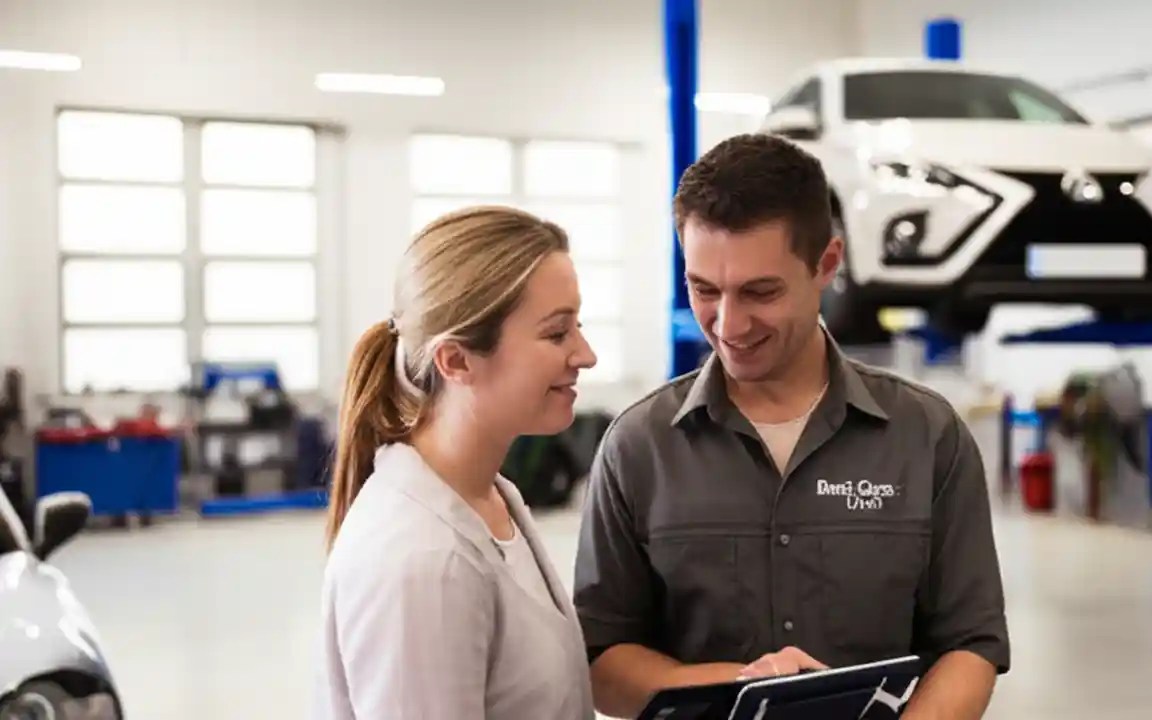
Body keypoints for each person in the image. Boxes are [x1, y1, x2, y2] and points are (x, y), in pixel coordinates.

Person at [573, 134, 1010, 719]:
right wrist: (747, 686)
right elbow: (601, 661)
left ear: (826, 264)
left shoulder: (928, 437)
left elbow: (970, 644)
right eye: (704, 289)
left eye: (760, 292)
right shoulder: (639, 447)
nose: (729, 324)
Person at [313, 206, 598, 720]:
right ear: (457, 360)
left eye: (577, 326)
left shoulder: (490, 498)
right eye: (557, 334)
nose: (586, 354)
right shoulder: (423, 561)